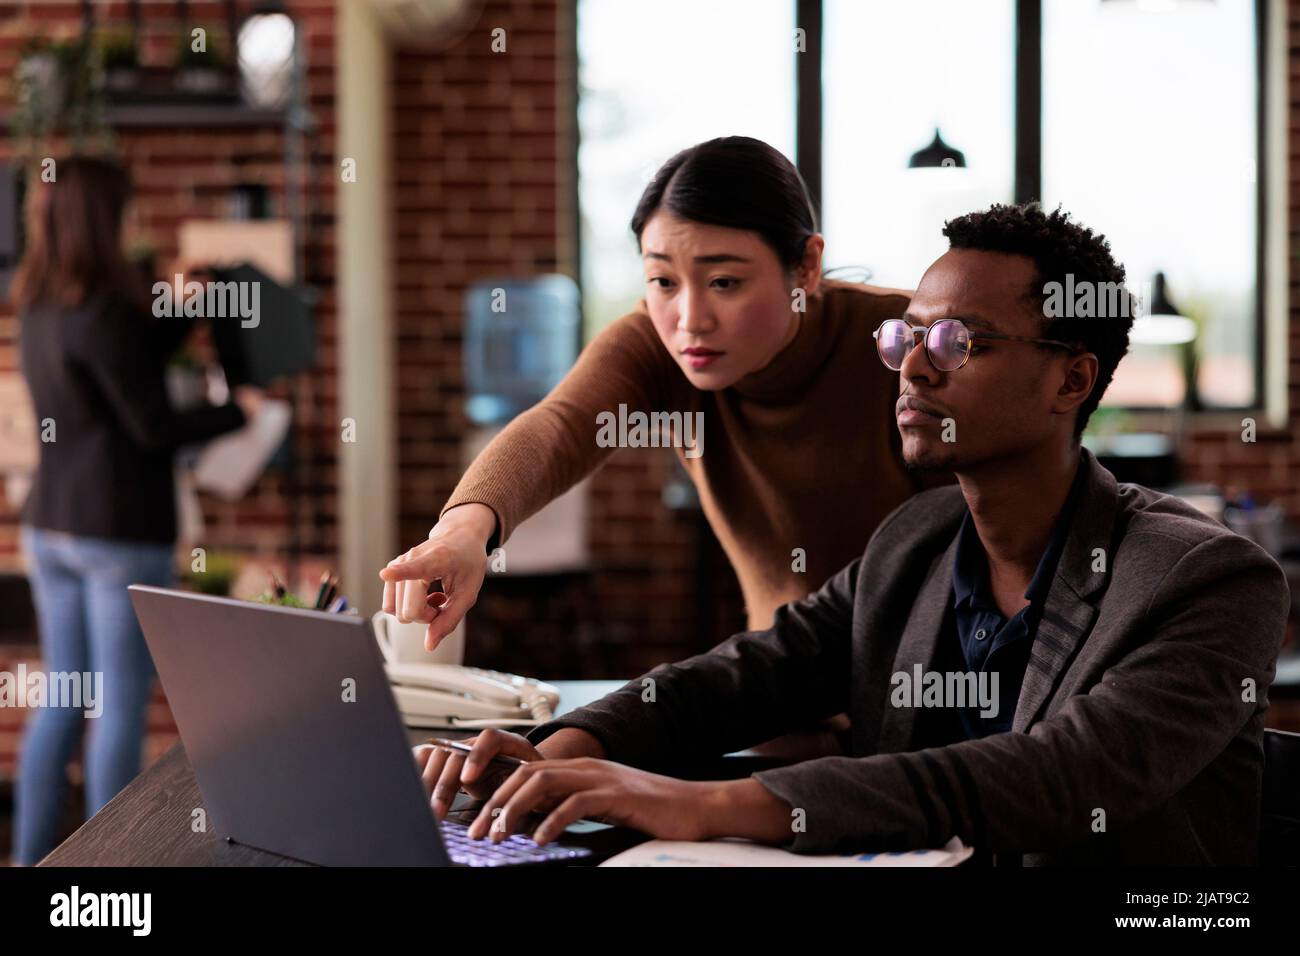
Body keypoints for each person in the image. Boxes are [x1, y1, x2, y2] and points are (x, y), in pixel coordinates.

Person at [415, 203, 1290, 865]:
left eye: (958, 341)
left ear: (1071, 380)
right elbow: (737, 679)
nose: (913, 365)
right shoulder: (918, 538)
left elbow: (1055, 775)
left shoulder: (1207, 578)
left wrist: (697, 804)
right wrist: (563, 749)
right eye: (906, 336)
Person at [379, 136, 949, 649]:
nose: (690, 320)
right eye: (663, 281)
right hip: (788, 683)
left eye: (724, 282)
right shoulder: (658, 344)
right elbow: (560, 426)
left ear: (805, 265)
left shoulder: (901, 343)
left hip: (932, 683)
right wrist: (461, 534)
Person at [10, 156, 261, 865]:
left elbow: (126, 360)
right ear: (104, 219)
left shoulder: (38, 304)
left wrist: (185, 310)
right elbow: (150, 423)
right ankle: (111, 871)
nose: (135, 223)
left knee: (62, 700)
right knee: (119, 704)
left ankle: (33, 863)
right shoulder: (110, 310)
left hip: (50, 526)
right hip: (117, 527)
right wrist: (232, 412)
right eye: (126, 211)